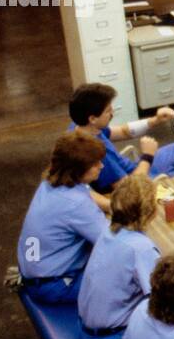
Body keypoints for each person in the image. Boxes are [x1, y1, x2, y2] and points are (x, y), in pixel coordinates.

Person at [76, 175, 160, 339]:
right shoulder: (140, 248)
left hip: (88, 335)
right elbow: (166, 302)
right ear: (152, 212)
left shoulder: (108, 232)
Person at [17, 131, 109, 305]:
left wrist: (112, 205)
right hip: (54, 285)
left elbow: (86, 193)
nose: (101, 166)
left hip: (33, 269)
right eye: (95, 163)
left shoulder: (49, 184)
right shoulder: (76, 205)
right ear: (77, 169)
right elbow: (113, 242)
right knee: (130, 283)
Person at [68, 82, 174, 205]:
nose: (112, 113)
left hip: (134, 168)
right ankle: (166, 183)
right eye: (108, 111)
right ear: (92, 119)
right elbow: (129, 190)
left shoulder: (80, 127)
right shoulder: (98, 156)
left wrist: (155, 120)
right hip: (135, 180)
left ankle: (168, 179)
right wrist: (147, 156)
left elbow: (123, 131)